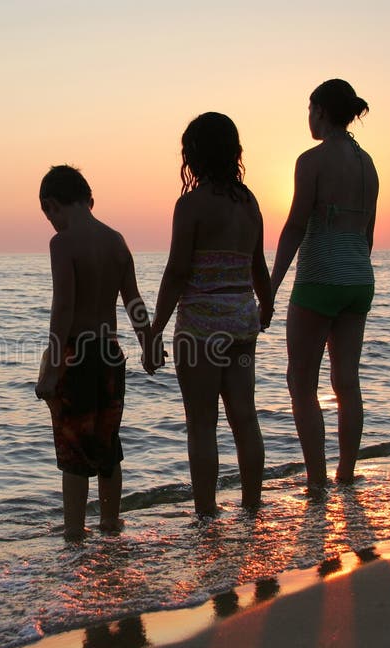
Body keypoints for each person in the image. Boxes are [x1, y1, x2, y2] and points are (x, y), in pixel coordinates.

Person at [150, 112, 273, 514]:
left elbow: (177, 272)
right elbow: (258, 265)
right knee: (244, 417)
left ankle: (206, 513)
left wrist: (154, 329)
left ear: (194, 155)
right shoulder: (250, 202)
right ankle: (252, 507)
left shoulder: (191, 205)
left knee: (202, 425)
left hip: (200, 328)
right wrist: (266, 304)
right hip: (241, 323)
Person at [34, 165, 161, 541]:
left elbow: (64, 310)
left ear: (52, 204)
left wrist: (53, 367)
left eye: (49, 216)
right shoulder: (116, 240)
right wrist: (149, 342)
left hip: (77, 357)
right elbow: (133, 301)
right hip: (110, 355)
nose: (52, 225)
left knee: (74, 452)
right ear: (89, 199)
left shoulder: (63, 243)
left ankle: (74, 533)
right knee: (107, 445)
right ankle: (110, 525)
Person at [269, 79, 379, 489]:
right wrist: (352, 271)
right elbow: (368, 233)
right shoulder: (368, 163)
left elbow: (296, 225)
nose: (308, 117)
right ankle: (346, 475)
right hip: (358, 278)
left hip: (319, 277)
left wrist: (271, 287)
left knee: (301, 381)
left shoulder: (311, 160)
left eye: (309, 108)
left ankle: (316, 481)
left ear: (320, 110)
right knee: (347, 382)